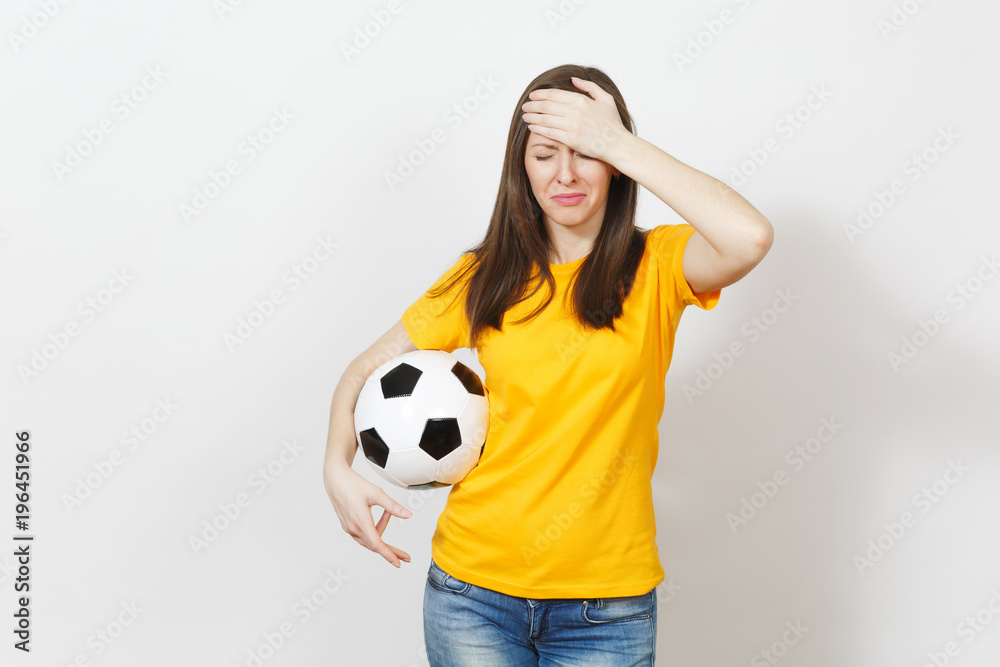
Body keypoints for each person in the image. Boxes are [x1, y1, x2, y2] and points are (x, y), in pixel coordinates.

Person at [324, 63, 773, 666]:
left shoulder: (659, 264)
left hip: (606, 610)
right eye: (544, 154)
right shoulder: (484, 277)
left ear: (615, 163)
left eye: (585, 152)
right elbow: (362, 371)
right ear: (522, 167)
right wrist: (336, 466)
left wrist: (615, 140)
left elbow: (750, 237)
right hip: (472, 595)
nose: (565, 174)